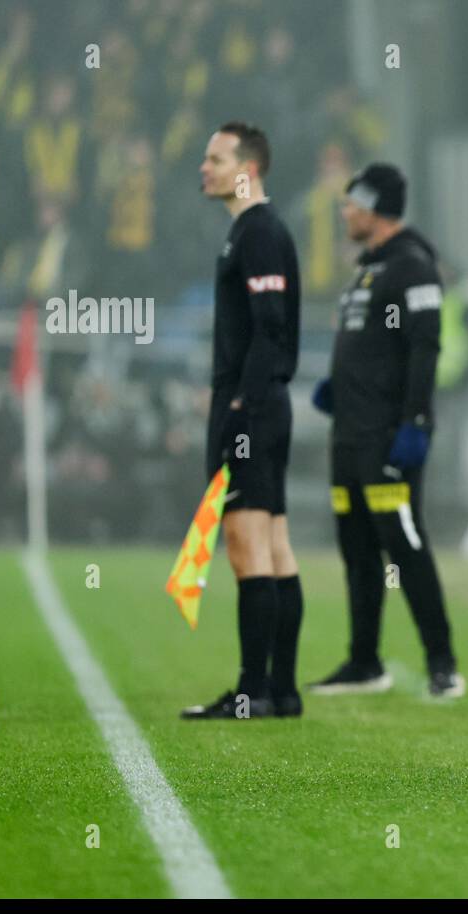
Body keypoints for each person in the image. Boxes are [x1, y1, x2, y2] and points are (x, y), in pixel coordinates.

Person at [309, 163, 464, 699]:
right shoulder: (367, 269)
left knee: (404, 541)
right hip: (349, 434)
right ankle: (363, 662)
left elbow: (426, 347)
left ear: (373, 207)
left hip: (387, 437)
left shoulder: (414, 267)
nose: (343, 212)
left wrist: (416, 422)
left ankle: (442, 663)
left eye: (350, 204)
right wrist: (339, 386)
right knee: (356, 546)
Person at [182, 121, 304, 719]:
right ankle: (281, 690)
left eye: (214, 158)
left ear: (245, 169)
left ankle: (252, 692)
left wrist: (240, 407)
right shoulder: (251, 233)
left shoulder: (257, 233)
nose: (203, 167)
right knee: (275, 546)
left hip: (253, 409)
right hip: (264, 405)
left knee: (247, 544)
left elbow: (271, 326)